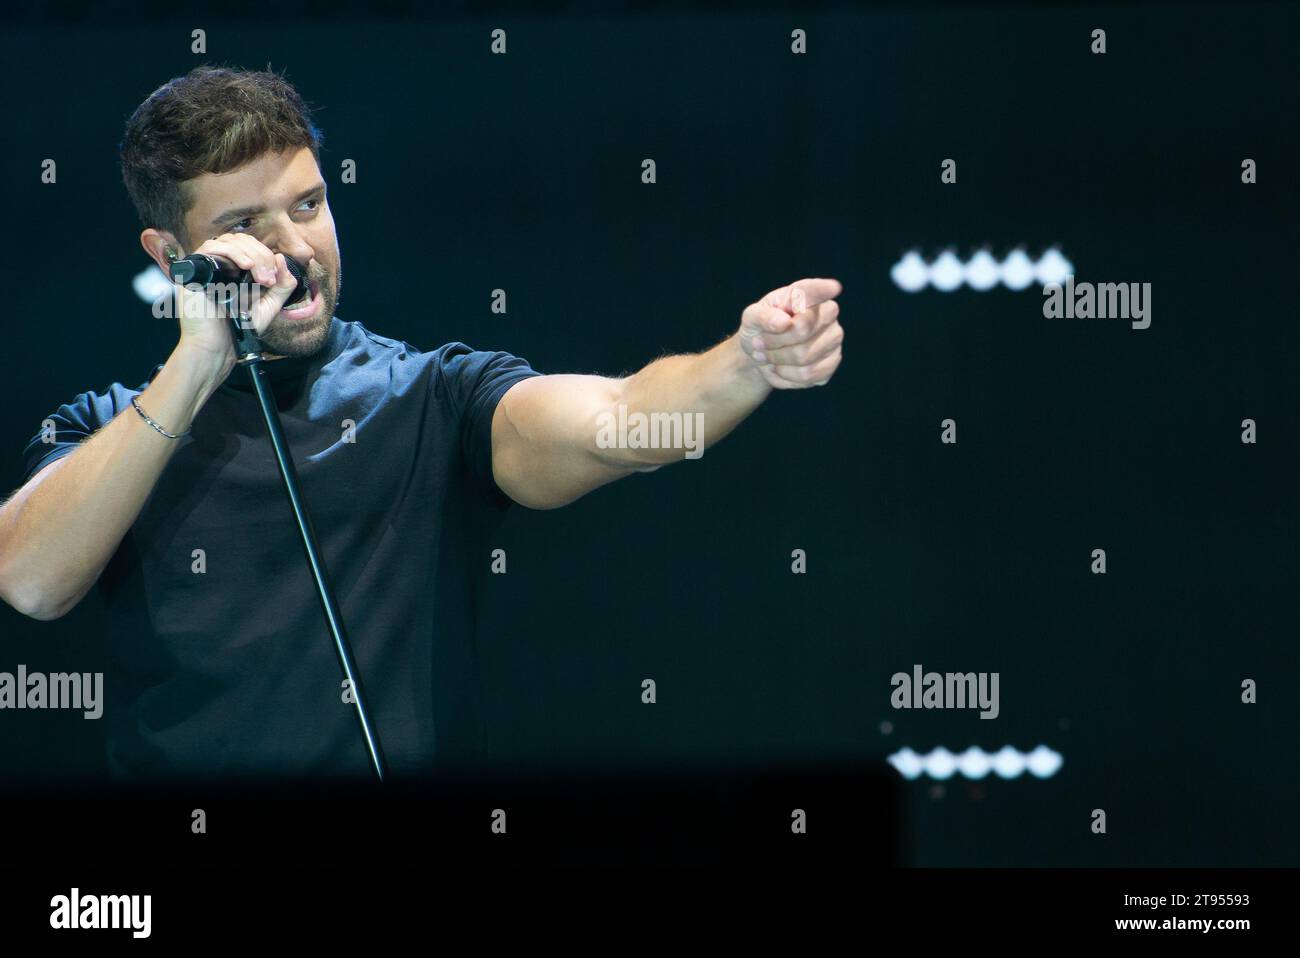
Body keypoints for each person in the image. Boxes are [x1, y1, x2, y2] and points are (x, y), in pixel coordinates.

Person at [0, 66, 844, 782]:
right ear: (167, 256)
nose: (293, 248)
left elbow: (620, 422)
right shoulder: (108, 426)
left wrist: (743, 364)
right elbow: (32, 581)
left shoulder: (428, 394)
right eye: (243, 225)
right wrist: (193, 366)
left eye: (308, 205)